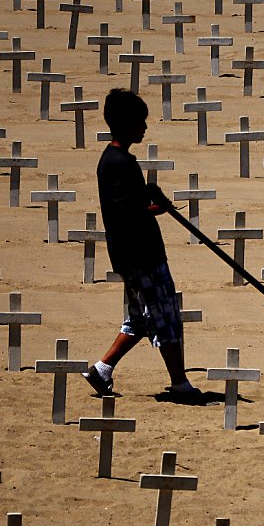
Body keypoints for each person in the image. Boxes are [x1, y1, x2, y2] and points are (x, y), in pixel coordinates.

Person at [84, 88, 203, 403]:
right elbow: (128, 213)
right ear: (126, 124)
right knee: (164, 315)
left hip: (129, 254)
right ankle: (179, 383)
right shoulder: (119, 163)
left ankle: (102, 369)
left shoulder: (113, 161)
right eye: (140, 123)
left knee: (139, 317)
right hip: (141, 254)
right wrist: (157, 208)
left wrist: (149, 195)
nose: (145, 128)